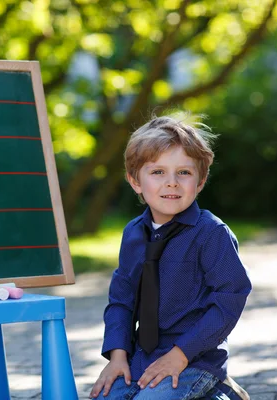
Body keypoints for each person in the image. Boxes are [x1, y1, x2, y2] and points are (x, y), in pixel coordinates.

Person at [90, 114, 252, 400]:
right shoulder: (132, 234)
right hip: (140, 358)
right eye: (158, 172)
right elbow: (121, 300)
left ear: (200, 181)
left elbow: (231, 297)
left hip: (194, 358)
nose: (172, 183)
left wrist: (180, 355)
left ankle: (218, 391)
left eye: (184, 173)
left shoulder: (211, 233)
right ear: (134, 181)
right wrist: (117, 357)